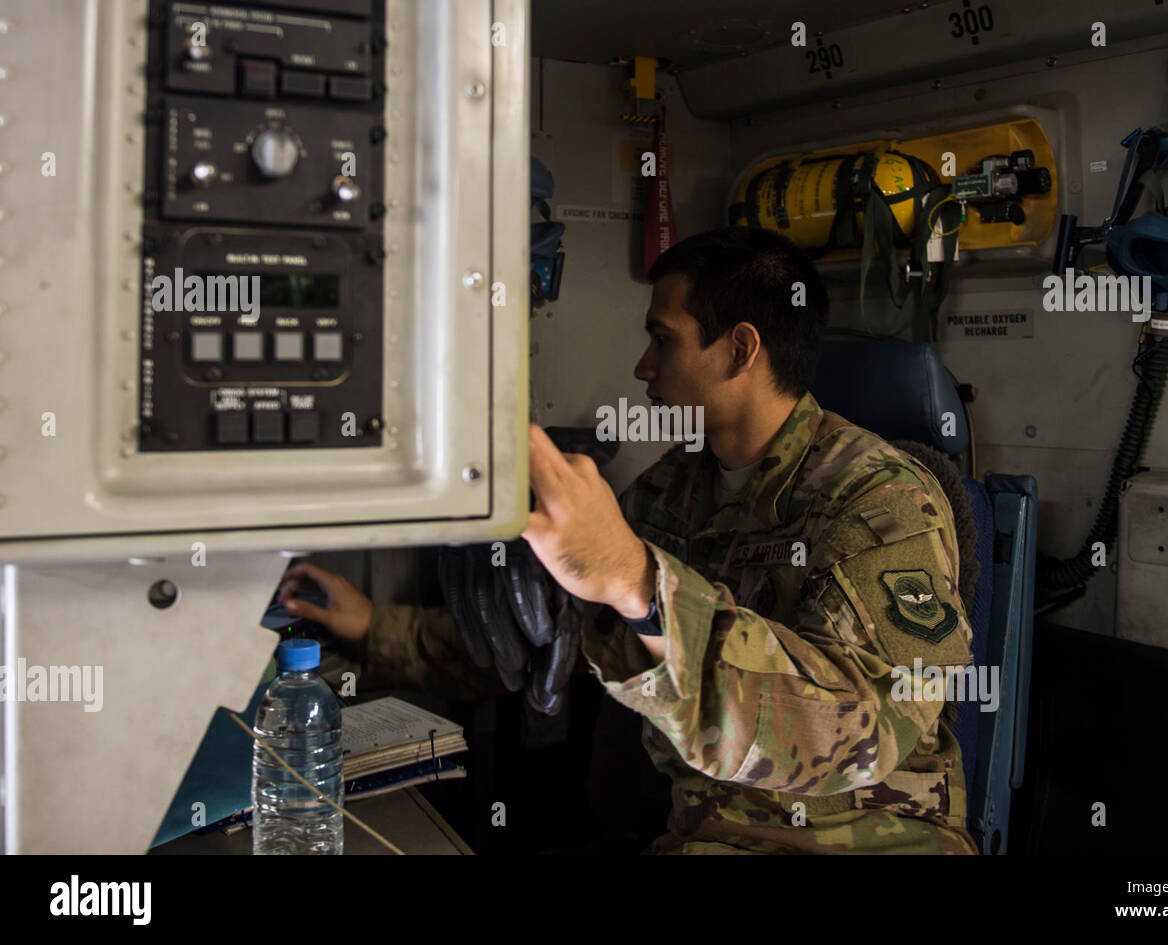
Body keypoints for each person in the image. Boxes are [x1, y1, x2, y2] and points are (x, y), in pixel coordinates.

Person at [279, 225, 977, 854]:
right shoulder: (675, 490)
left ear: (739, 348)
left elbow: (866, 733)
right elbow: (545, 638)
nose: (644, 366)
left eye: (663, 338)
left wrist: (643, 586)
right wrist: (373, 626)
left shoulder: (880, 502)